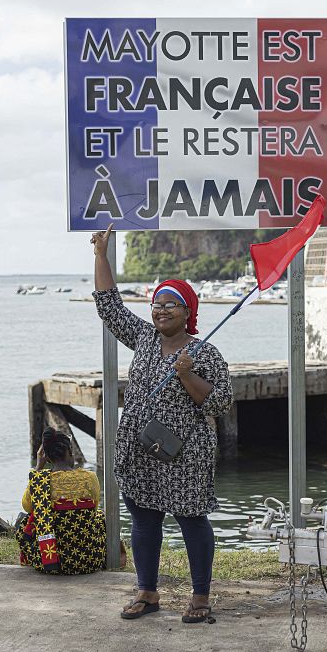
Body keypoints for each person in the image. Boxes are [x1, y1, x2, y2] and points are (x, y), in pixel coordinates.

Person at [91, 228, 232, 623]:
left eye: (171, 305)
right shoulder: (145, 339)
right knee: (144, 520)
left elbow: (221, 401)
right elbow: (109, 307)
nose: (161, 311)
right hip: (140, 448)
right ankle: (147, 592)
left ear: (188, 312)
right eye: (157, 305)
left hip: (185, 453)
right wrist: (101, 255)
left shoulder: (204, 352)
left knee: (191, 521)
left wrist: (187, 375)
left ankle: (201, 597)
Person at [15, 428, 106, 575]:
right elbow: (94, 509)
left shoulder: (41, 481)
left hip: (49, 561)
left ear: (47, 457)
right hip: (89, 559)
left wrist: (38, 468)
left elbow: (28, 507)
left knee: (25, 521)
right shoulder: (90, 478)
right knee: (100, 516)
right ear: (70, 451)